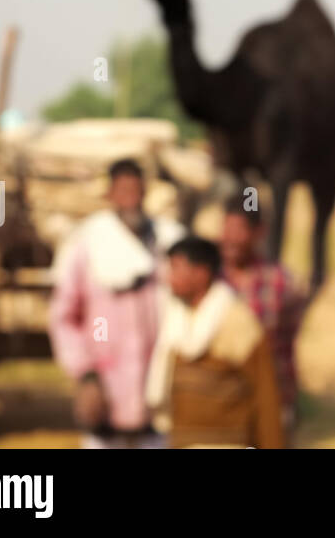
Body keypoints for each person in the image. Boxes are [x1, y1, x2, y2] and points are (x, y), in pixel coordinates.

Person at [48, 159, 182, 448]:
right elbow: (64, 317)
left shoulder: (166, 242)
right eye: (123, 191)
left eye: (136, 190)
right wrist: (86, 373)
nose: (130, 199)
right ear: (110, 195)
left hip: (157, 386)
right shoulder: (90, 244)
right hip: (106, 383)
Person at [145, 235, 284, 448]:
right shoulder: (175, 321)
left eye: (176, 268)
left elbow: (266, 398)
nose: (169, 278)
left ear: (201, 274)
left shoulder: (236, 321)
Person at [220, 206, 306, 431]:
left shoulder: (281, 283)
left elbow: (287, 342)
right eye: (226, 228)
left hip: (269, 397)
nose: (230, 238)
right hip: (220, 402)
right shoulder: (211, 279)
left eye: (239, 230)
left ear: (259, 233)